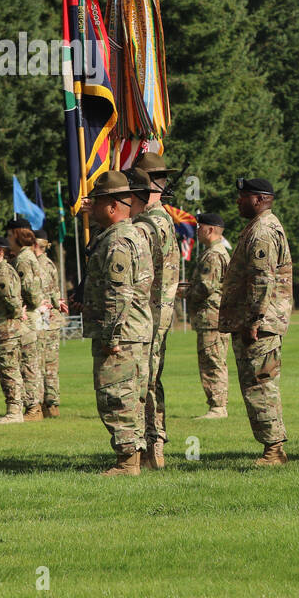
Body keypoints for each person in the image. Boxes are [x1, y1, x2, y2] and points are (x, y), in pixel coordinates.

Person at [82, 171, 155, 476]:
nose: (92, 208)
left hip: (121, 333)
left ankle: (127, 462)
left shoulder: (118, 241)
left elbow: (118, 293)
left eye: (97, 203)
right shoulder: (135, 233)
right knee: (132, 395)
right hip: (135, 330)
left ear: (112, 206)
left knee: (117, 395)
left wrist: (111, 334)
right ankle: (134, 457)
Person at [219, 178, 295, 465]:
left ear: (259, 199)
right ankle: (273, 448)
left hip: (259, 324)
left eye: (244, 196)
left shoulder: (263, 230)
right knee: (258, 384)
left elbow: (262, 280)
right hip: (257, 321)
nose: (238, 200)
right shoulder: (258, 227)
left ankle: (273, 450)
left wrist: (253, 319)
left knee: (260, 385)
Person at [129, 155, 181, 470]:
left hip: (147, 314)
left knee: (143, 382)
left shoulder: (149, 225)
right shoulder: (161, 220)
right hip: (158, 314)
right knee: (151, 380)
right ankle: (153, 446)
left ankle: (150, 448)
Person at [185, 212, 232, 420]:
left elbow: (205, 287)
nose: (197, 231)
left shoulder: (213, 255)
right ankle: (217, 405)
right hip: (213, 317)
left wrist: (184, 293)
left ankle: (218, 407)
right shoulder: (216, 252)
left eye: (199, 227)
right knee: (213, 360)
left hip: (211, 317)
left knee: (212, 362)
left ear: (210, 229)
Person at [0, 234, 29, 424]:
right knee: (11, 369)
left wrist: (19, 312)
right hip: (8, 330)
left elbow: (10, 298)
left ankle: (14, 411)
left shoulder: (2, 273)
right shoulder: (6, 270)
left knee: (8, 370)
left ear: (0, 253)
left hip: (7, 331)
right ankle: (16, 408)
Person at [6, 218, 45, 420]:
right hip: (32, 314)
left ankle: (33, 408)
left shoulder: (23, 259)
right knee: (30, 362)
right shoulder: (27, 256)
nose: (7, 238)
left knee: (27, 364)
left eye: (8, 234)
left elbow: (29, 289)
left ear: (15, 234)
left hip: (27, 316)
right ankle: (34, 406)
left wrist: (21, 304)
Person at [33, 230, 66, 418]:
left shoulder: (39, 265)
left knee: (43, 363)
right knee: (50, 364)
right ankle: (50, 404)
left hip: (43, 318)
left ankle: (47, 404)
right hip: (49, 317)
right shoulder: (48, 263)